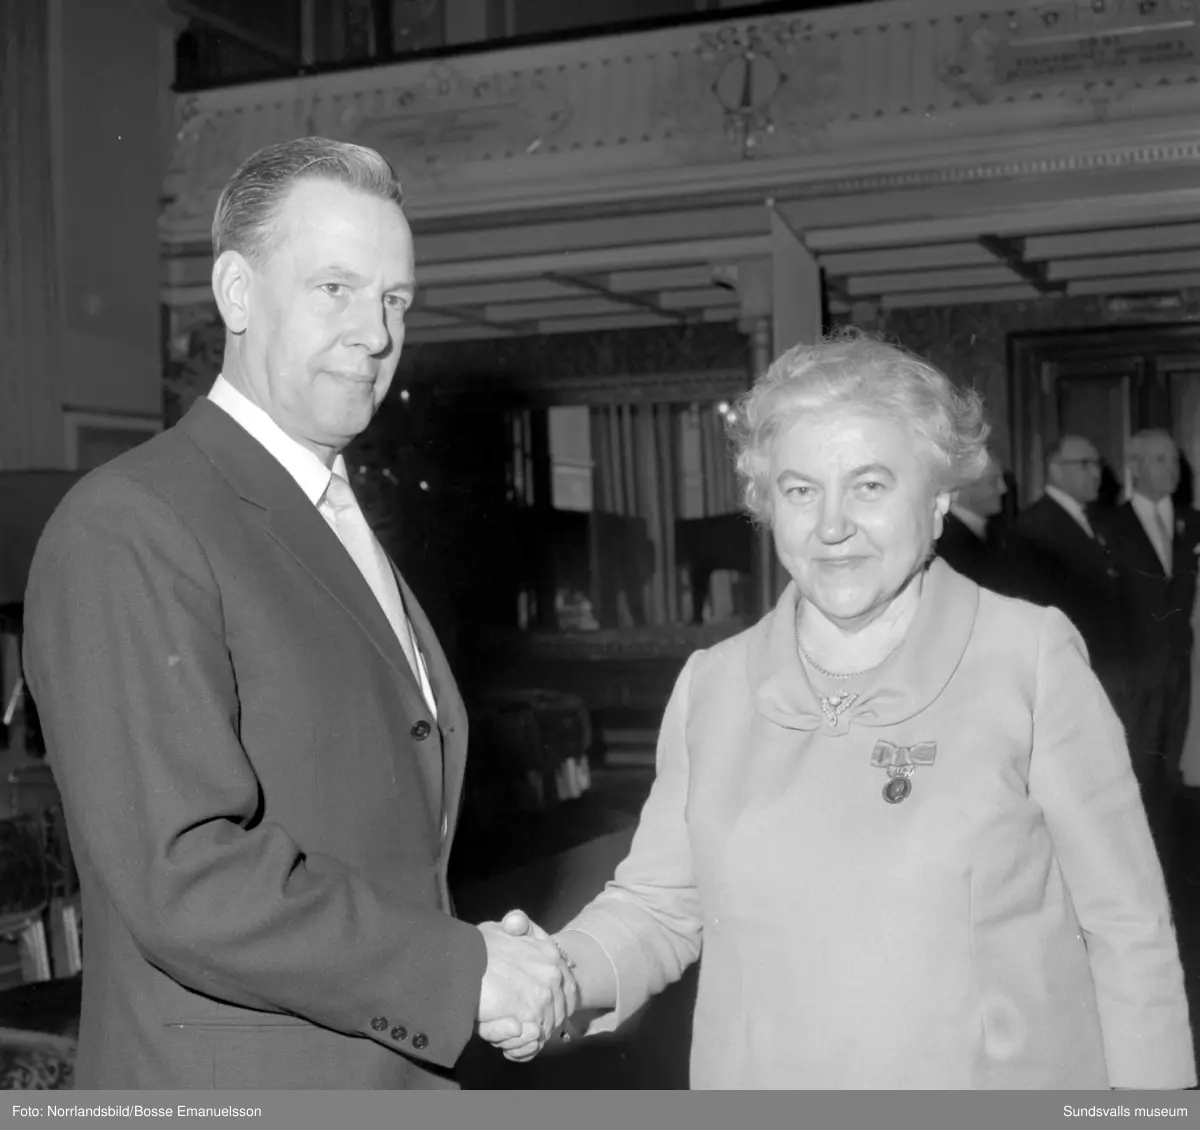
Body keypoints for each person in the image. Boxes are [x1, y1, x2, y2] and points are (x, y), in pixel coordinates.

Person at [486, 330, 1195, 1089]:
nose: (831, 526)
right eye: (800, 491)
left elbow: (1127, 922)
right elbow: (659, 907)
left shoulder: (1028, 657)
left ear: (938, 499)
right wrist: (557, 975)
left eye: (869, 486)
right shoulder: (713, 685)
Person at [22, 137, 573, 1089]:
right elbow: (184, 875)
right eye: (335, 289)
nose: (376, 334)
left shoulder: (332, 512)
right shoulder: (131, 521)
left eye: (396, 300)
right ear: (237, 293)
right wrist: (461, 972)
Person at [1106, 430, 1200, 875]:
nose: (1173, 469)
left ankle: (1175, 875)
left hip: (1185, 675)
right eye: (1160, 460)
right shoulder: (1111, 526)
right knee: (1137, 779)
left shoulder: (1193, 522)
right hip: (1134, 679)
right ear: (1136, 466)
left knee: (1176, 779)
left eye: (1175, 460)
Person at [1001, 435, 1126, 706]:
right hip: (1067, 670)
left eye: (1098, 464)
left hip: (1102, 666)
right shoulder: (1035, 526)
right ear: (1056, 469)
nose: (1096, 473)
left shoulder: (1096, 519)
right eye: (1085, 464)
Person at [934, 448, 1006, 586]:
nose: (1003, 489)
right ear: (962, 487)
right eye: (993, 481)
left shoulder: (998, 531)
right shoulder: (946, 543)